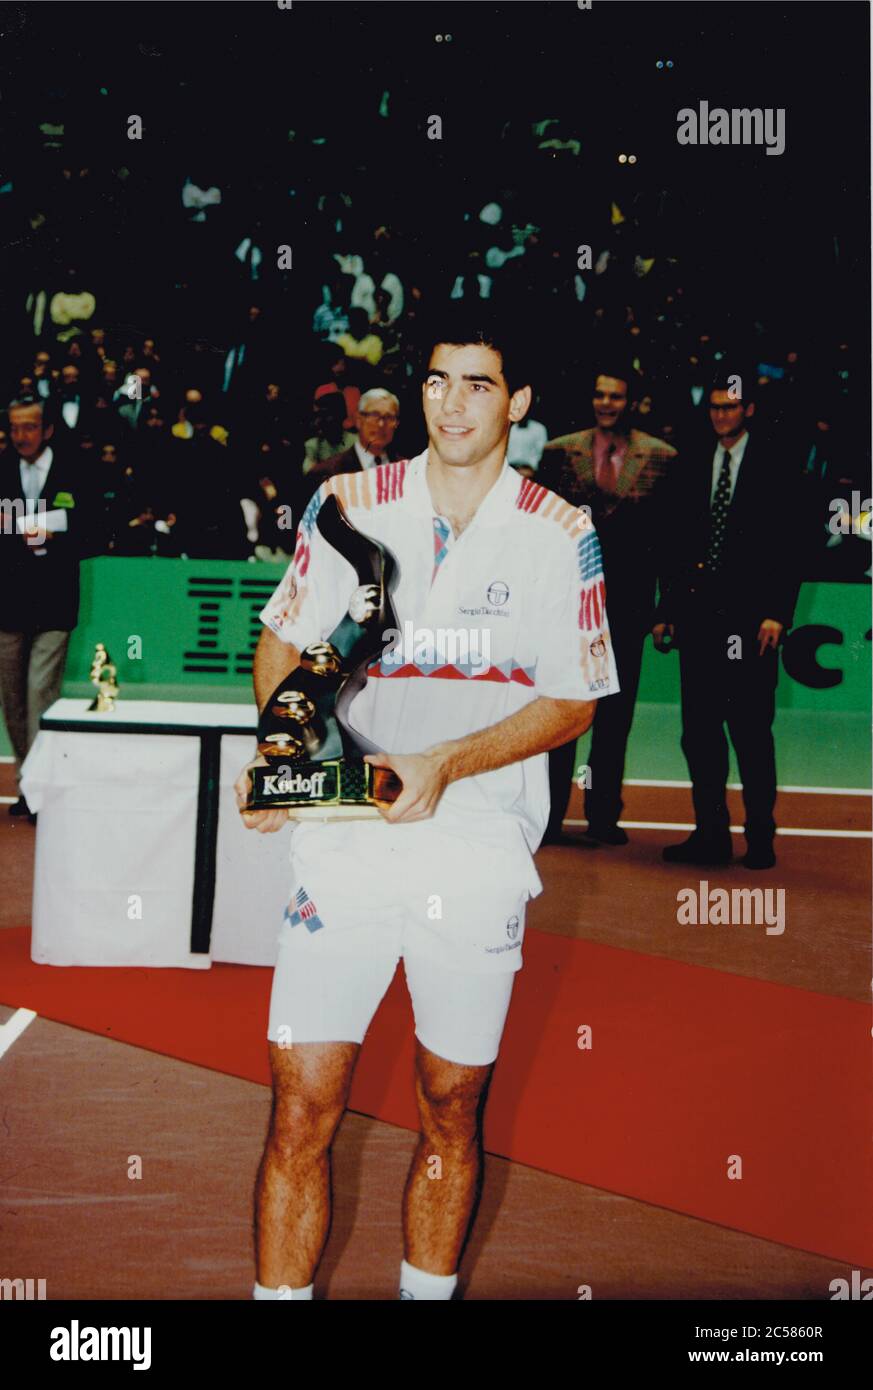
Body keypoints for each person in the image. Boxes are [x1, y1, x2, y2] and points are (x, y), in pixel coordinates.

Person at [234, 307, 619, 1301]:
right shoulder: (348, 500)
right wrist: (284, 741)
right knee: (300, 1106)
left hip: (479, 845)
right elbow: (282, 639)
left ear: (519, 402)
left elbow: (574, 698)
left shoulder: (560, 532)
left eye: (480, 384)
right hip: (347, 838)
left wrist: (448, 761)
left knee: (450, 1105)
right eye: (440, 381)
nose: (453, 404)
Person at [653, 373, 804, 870]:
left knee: (751, 733)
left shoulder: (778, 465)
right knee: (698, 734)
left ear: (749, 410)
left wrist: (777, 614)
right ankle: (711, 834)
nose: (721, 415)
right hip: (699, 623)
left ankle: (761, 836)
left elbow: (789, 546)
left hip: (750, 626)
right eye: (714, 407)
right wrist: (666, 612)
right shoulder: (692, 461)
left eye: (730, 407)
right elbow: (673, 542)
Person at [539, 365, 677, 845]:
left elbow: (668, 542)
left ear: (630, 402)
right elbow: (542, 533)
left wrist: (665, 610)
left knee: (614, 718)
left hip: (629, 608)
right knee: (561, 712)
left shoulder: (662, 458)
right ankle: (549, 815)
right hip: (567, 608)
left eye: (615, 396)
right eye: (599, 395)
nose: (605, 403)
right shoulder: (559, 452)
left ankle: (602, 815)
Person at [0, 397, 95, 819]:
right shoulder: (2, 468)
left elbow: (97, 527)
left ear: (48, 430)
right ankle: (28, 782)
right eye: (15, 428)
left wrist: (59, 534)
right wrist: (15, 531)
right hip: (9, 600)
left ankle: (41, 789)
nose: (21, 436)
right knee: (13, 698)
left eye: (30, 427)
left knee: (40, 691)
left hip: (55, 602)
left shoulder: (76, 469)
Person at [305, 388, 401, 490]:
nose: (381, 424)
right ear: (358, 420)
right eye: (374, 415)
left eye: (389, 417)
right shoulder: (326, 472)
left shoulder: (408, 470)